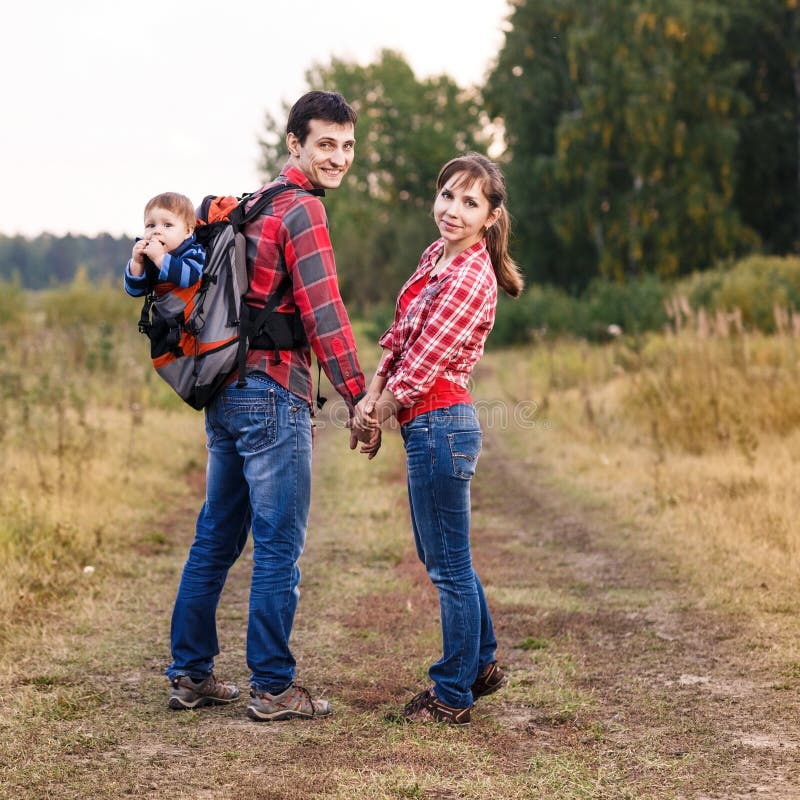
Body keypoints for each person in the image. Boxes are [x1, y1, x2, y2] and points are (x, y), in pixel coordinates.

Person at [165, 91, 368, 721]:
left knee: (215, 538)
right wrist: (359, 397)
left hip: (224, 390)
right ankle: (273, 687)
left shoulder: (251, 204)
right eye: (326, 144)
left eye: (348, 145)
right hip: (272, 393)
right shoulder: (302, 211)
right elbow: (324, 312)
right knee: (279, 544)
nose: (338, 157)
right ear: (296, 145)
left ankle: (190, 674)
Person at [351, 152, 524, 725]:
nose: (452, 210)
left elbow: (422, 367)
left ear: (491, 216)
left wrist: (374, 414)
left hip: (443, 425)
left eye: (469, 202)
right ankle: (481, 663)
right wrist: (370, 395)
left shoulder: (472, 275)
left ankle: (452, 693)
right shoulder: (435, 256)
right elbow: (400, 335)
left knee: (448, 565)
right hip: (423, 424)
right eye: (448, 195)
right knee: (443, 555)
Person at [123, 192, 205, 297]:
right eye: (151, 225)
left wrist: (160, 258)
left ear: (188, 231)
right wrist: (137, 263)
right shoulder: (149, 255)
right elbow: (134, 291)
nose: (156, 231)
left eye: (167, 225)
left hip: (192, 311)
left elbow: (190, 277)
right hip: (162, 312)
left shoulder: (193, 251)